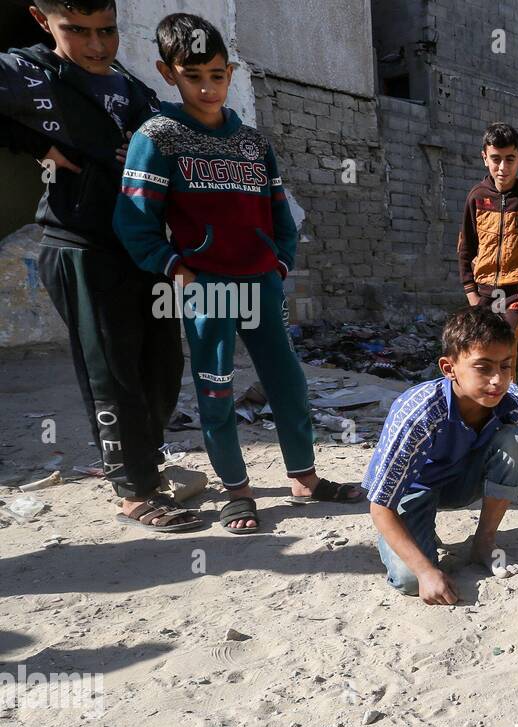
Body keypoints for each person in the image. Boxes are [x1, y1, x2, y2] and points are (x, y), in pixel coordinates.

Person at [114, 13, 361, 534]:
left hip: (261, 283)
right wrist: (175, 268)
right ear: (167, 73)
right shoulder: (158, 137)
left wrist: (279, 262)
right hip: (207, 289)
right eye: (193, 75)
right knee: (217, 386)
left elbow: (280, 216)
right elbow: (133, 222)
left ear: (232, 71)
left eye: (218, 75)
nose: (207, 87)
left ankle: (305, 479)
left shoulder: (253, 143)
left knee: (288, 382)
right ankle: (237, 491)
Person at [1, 0, 197, 532]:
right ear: (43, 22)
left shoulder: (130, 85)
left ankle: (145, 463)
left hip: (143, 247)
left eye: (107, 30)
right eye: (78, 31)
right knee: (111, 371)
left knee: (161, 368)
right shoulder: (24, 72)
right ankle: (135, 492)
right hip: (80, 244)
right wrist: (31, 142)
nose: (96, 44)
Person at [364, 305, 518, 606]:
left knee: (514, 439)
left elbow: (504, 455)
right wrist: (427, 571)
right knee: (411, 580)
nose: (497, 380)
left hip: (459, 482)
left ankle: (483, 543)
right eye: (483, 367)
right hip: (412, 492)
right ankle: (420, 529)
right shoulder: (419, 414)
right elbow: (380, 505)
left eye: (506, 366)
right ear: (449, 368)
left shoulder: (511, 400)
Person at [456, 122, 518, 369]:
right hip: (483, 293)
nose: (502, 167)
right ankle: (486, 405)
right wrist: (472, 294)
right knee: (480, 352)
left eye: (509, 159)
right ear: (485, 158)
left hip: (517, 291)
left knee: (505, 351)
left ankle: (506, 406)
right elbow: (465, 249)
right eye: (496, 159)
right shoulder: (477, 196)